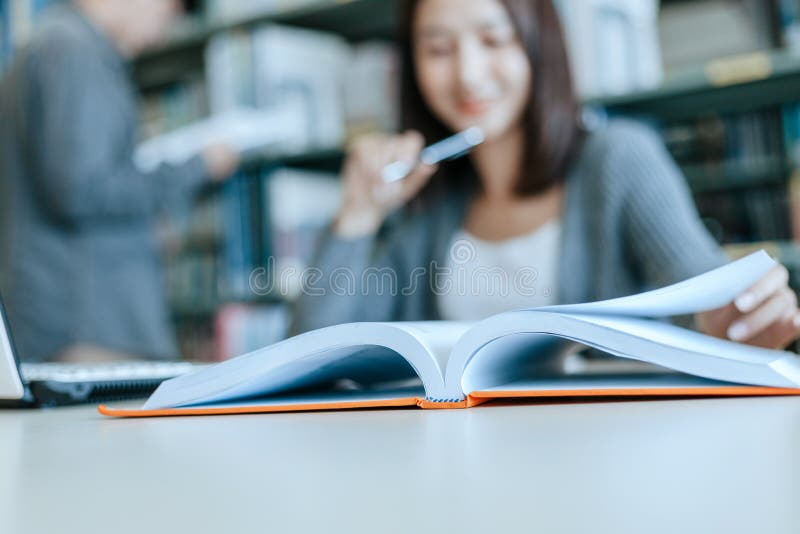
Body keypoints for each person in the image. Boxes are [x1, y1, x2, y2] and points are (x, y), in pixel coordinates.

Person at [291, 0, 800, 350]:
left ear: (538, 45)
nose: (468, 74)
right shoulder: (426, 204)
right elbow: (314, 351)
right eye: (438, 50)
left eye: (493, 39)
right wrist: (356, 215)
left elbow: (701, 290)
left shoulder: (617, 159)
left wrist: (738, 316)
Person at [0, 0, 239, 362]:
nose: (158, 36)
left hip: (68, 315)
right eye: (165, 15)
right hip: (88, 324)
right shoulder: (75, 51)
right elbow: (82, 189)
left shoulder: (50, 44)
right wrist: (195, 167)